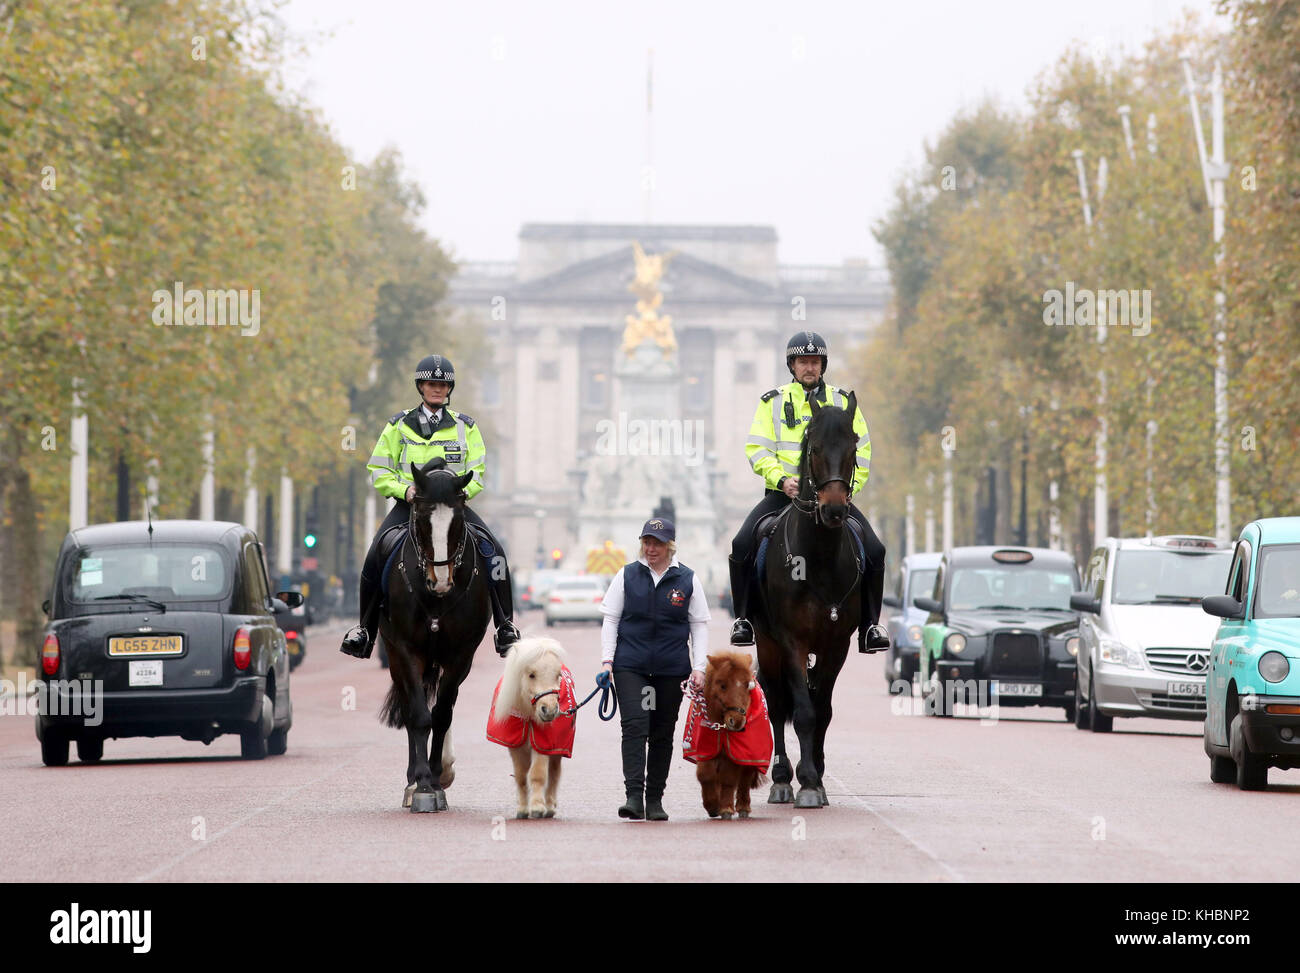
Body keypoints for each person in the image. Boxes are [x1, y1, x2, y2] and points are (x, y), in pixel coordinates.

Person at [339, 354, 521, 659]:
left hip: (451, 508)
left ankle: (505, 626)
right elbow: (379, 470)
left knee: (494, 551)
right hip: (410, 506)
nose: (437, 389)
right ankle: (364, 630)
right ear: (421, 386)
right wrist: (404, 490)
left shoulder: (467, 428)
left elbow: (476, 472)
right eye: (431, 383)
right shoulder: (397, 426)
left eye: (442, 384)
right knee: (374, 555)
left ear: (448, 389)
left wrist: (458, 496)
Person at [729, 330, 890, 653]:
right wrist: (780, 480)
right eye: (803, 361)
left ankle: (870, 626)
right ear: (792, 365)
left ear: (823, 365)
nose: (809, 368)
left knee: (875, 549)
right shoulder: (772, 402)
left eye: (815, 362)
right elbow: (757, 449)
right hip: (783, 494)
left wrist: (846, 490)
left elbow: (863, 452)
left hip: (833, 496)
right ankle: (744, 619)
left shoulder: (844, 403)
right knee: (741, 543)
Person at [598, 518, 710, 821]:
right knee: (634, 727)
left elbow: (698, 626)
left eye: (657, 543)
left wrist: (698, 668)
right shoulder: (626, 575)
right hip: (630, 666)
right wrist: (608, 661)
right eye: (647, 542)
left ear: (670, 546)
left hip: (671, 669)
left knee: (662, 733)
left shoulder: (688, 579)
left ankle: (655, 799)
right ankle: (633, 797)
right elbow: (611, 619)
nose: (651, 549)